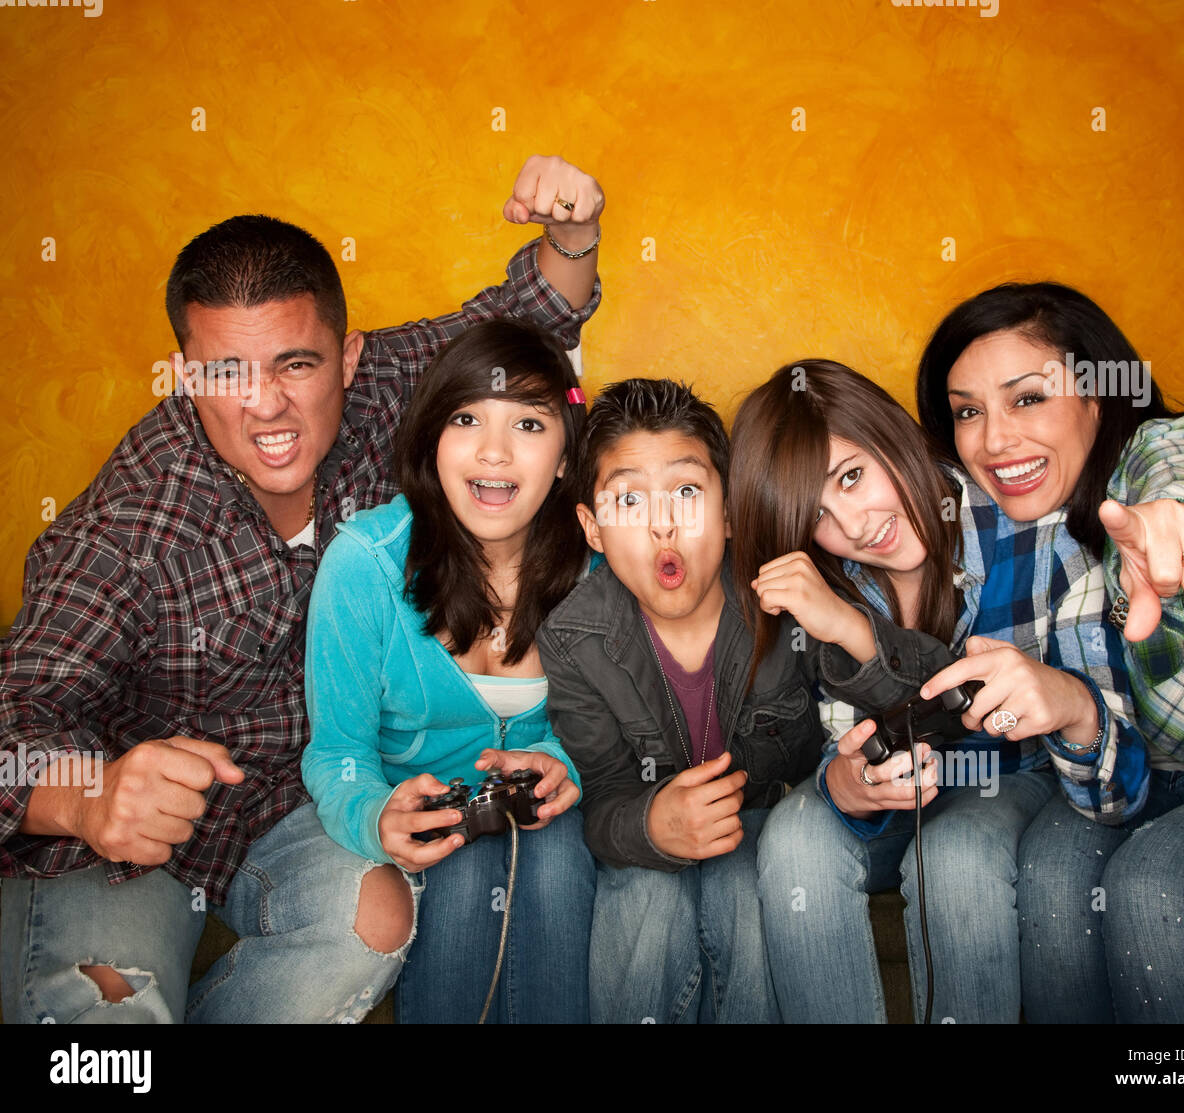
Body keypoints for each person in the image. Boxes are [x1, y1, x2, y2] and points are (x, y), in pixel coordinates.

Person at [0, 154, 602, 1024]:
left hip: (291, 809)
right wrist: (87, 796)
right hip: (128, 838)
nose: (266, 406)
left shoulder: (382, 395)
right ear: (185, 370)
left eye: (295, 364)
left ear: (349, 357)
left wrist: (573, 232)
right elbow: (14, 712)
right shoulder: (128, 528)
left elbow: (517, 324)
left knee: (379, 912)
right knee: (106, 1026)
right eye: (224, 373)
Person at [915, 280, 1184, 1022]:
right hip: (1172, 780)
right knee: (1055, 871)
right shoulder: (1051, 552)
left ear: (1098, 396)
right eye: (968, 411)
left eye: (1027, 398)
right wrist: (1076, 711)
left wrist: (1181, 524)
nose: (994, 439)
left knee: (1154, 881)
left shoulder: (1163, 452)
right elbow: (1115, 780)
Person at [732, 359, 1148, 1023]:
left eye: (852, 475)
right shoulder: (826, 579)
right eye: (818, 513)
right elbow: (839, 742)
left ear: (889, 433)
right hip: (906, 794)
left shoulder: (1035, 524)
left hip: (1019, 775)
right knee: (794, 833)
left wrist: (1070, 707)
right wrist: (845, 781)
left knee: (953, 853)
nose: (856, 524)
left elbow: (1120, 779)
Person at [536, 377, 947, 1023]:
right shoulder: (571, 639)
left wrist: (842, 622)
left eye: (688, 492)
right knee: (644, 896)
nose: (663, 522)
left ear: (729, 513)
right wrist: (650, 825)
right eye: (628, 501)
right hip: (651, 842)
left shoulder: (784, 599)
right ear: (591, 527)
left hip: (772, 821)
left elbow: (927, 694)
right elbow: (606, 798)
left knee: (746, 891)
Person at [302, 318, 594, 1023]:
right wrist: (377, 816)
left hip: (554, 834)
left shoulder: (600, 570)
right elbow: (338, 753)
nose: (493, 452)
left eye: (528, 423)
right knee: (459, 866)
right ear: (433, 439)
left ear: (563, 457)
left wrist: (563, 765)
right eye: (466, 418)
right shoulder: (365, 564)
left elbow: (628, 729)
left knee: (553, 856)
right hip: (429, 834)